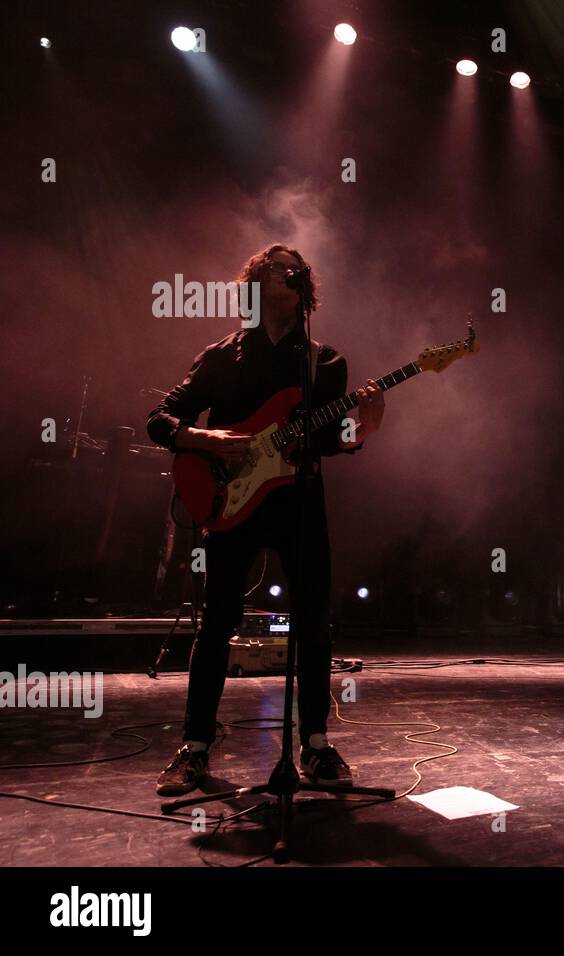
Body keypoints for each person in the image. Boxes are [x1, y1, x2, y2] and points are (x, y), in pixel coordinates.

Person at [147, 244, 384, 795]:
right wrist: (201, 437)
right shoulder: (221, 355)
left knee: (313, 624)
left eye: (292, 265)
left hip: (298, 500)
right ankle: (195, 747)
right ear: (254, 283)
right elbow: (159, 418)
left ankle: (316, 745)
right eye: (273, 264)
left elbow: (329, 439)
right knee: (216, 625)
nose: (286, 268)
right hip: (229, 502)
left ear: (303, 288)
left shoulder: (324, 361)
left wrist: (362, 431)